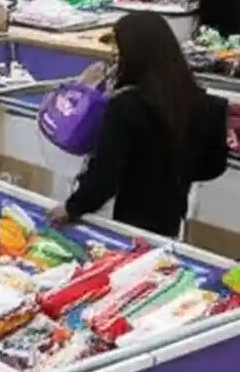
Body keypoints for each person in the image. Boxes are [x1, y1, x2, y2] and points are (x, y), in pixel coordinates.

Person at [50, 12, 229, 238]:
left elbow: (105, 176)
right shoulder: (206, 104)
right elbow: (213, 166)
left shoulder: (126, 106)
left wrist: (71, 208)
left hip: (124, 222)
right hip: (171, 220)